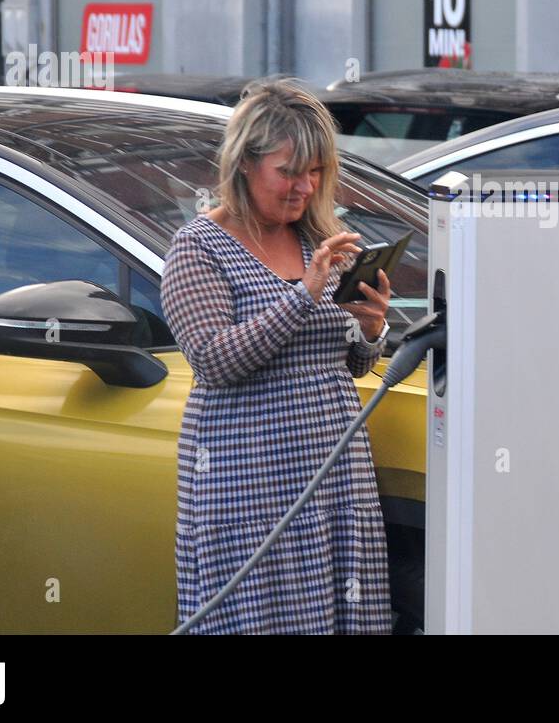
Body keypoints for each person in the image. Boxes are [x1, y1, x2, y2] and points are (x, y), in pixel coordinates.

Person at [160, 77, 392, 633]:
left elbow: (347, 363)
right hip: (248, 483)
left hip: (331, 474)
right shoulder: (197, 248)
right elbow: (214, 361)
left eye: (315, 172)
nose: (304, 187)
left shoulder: (318, 239)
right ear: (245, 163)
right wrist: (305, 294)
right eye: (288, 171)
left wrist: (371, 329)